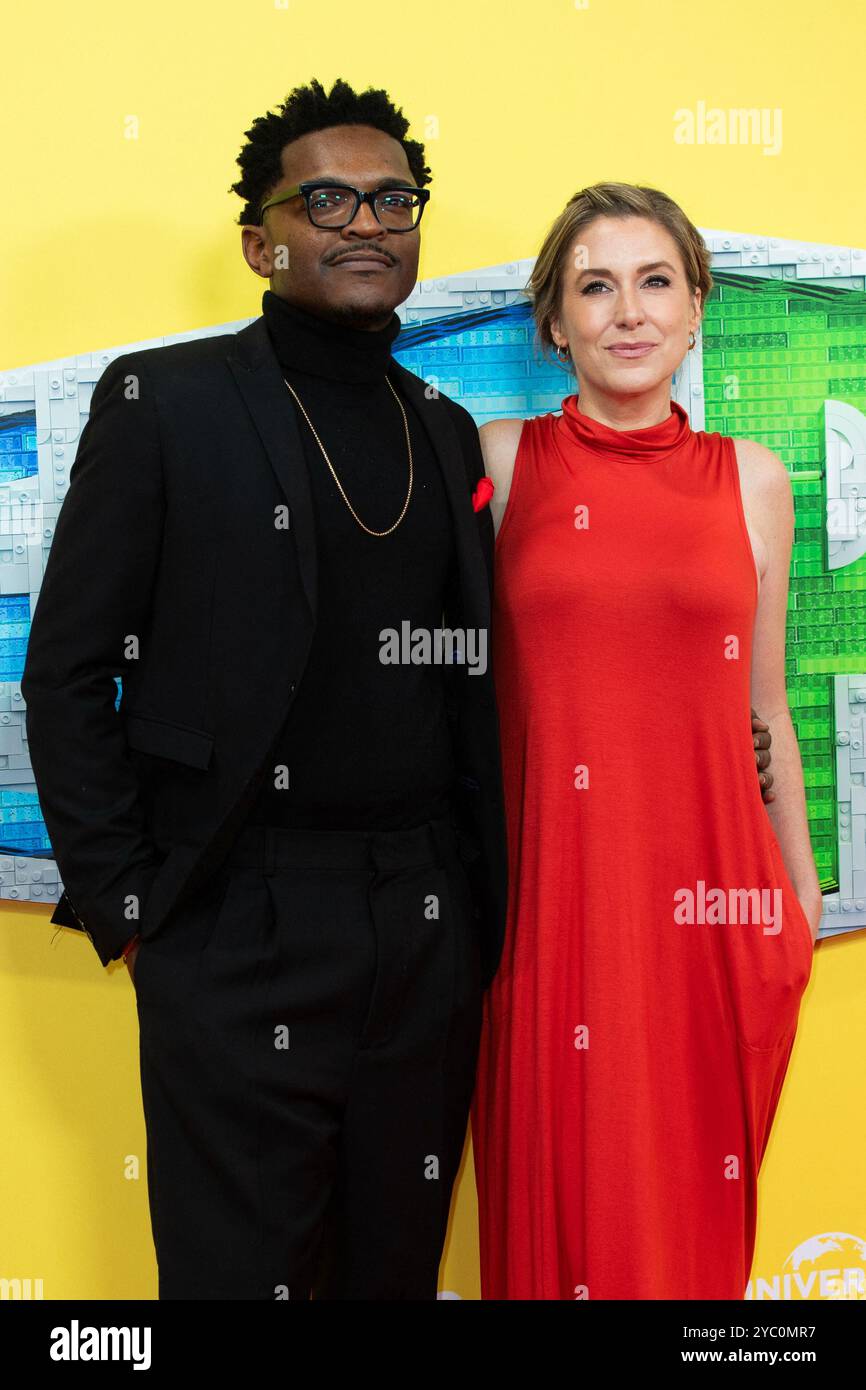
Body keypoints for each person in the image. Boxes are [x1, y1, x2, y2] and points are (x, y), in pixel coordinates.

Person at [21, 76, 508, 1300]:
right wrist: (129, 902)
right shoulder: (165, 403)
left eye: (393, 197)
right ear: (263, 239)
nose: (365, 221)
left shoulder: (441, 430)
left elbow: (456, 668)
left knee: (390, 1269)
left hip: (423, 919)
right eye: (327, 197)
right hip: (235, 910)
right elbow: (69, 666)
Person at [470, 182, 819, 1300]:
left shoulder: (751, 481)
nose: (627, 311)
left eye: (653, 280)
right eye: (594, 286)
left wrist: (797, 901)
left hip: (713, 916)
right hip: (550, 910)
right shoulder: (503, 459)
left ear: (695, 306)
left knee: (685, 1238)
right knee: (560, 1212)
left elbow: (761, 709)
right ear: (553, 322)